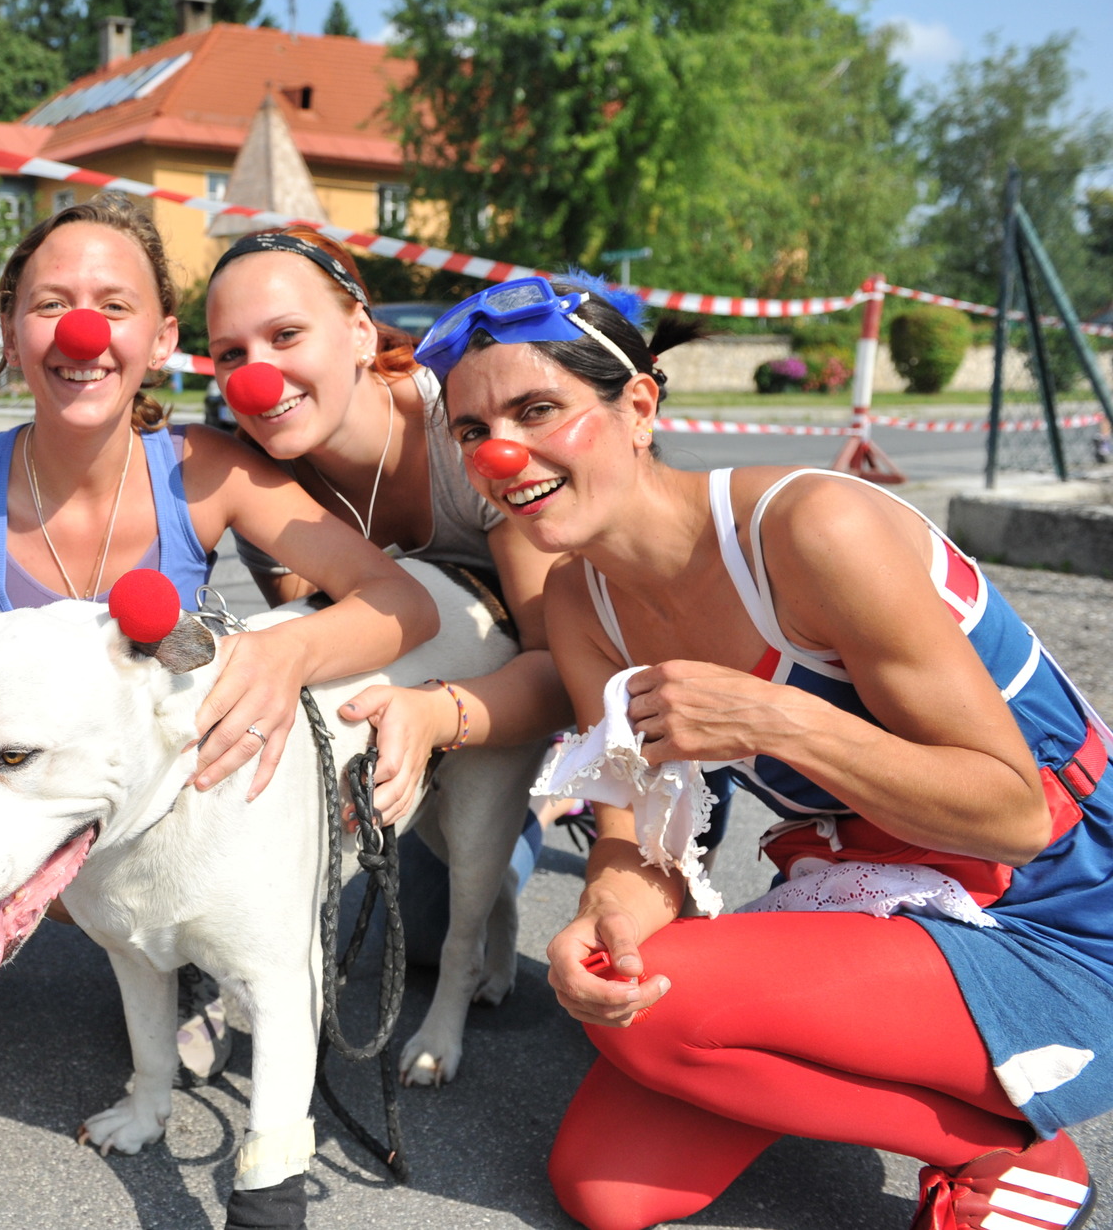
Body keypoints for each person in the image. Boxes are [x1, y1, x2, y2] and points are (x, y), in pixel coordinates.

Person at [428, 275, 1111, 1230]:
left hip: (1062, 903)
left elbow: (1018, 815)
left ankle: (1003, 1148)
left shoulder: (810, 527)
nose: (501, 453)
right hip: (881, 873)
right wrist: (604, 915)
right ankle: (978, 1117)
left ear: (638, 405)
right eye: (470, 431)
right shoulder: (583, 604)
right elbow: (639, 836)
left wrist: (776, 720)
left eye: (538, 409)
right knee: (607, 1187)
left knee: (667, 1016)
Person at [0, 195, 439, 1072]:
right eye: (51, 304)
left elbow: (399, 600)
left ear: (164, 339)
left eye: (114, 305)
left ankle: (190, 942)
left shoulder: (207, 473)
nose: (82, 334)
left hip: (165, 782)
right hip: (3, 775)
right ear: (11, 329)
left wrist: (284, 652)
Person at [202, 229, 572, 1046]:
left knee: (472, 891)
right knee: (432, 902)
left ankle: (540, 816)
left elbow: (560, 675)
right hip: (438, 691)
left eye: (285, 335)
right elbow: (324, 655)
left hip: (589, 672)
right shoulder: (271, 491)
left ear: (362, 334)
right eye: (229, 354)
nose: (255, 375)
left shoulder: (467, 435)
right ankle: (501, 832)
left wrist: (439, 720)